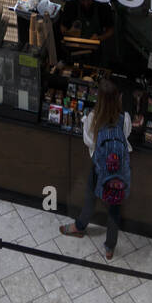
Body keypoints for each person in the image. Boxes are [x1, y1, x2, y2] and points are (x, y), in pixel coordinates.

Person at [60, 79, 132, 261]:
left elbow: (88, 142)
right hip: (118, 171)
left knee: (90, 198)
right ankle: (110, 247)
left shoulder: (92, 119)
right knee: (115, 207)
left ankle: (80, 226)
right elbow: (127, 136)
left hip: (98, 168)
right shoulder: (125, 118)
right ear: (118, 98)